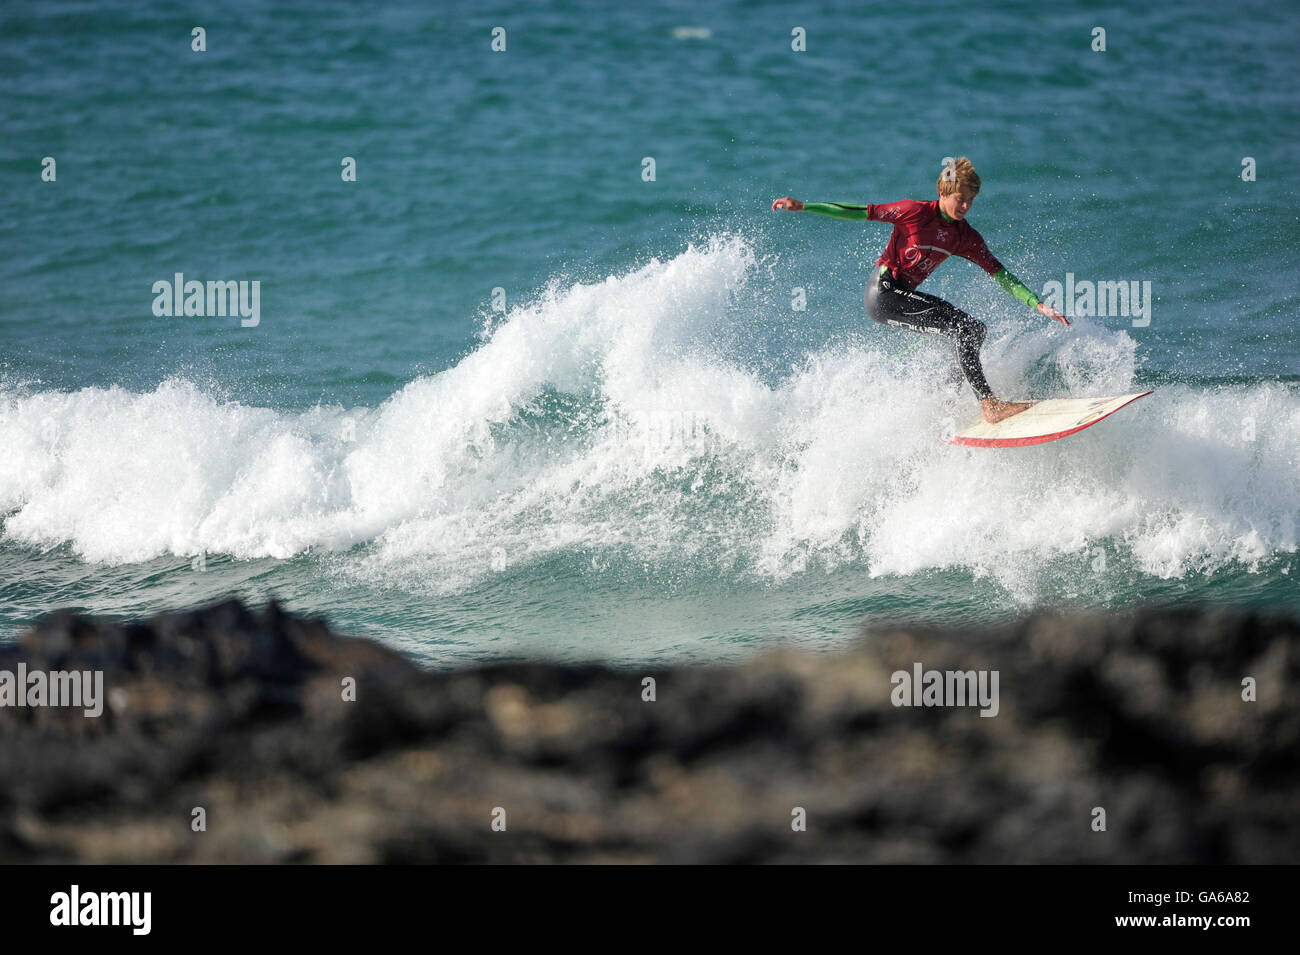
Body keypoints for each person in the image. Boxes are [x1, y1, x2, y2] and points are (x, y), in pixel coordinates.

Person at [772, 157, 1069, 423]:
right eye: (960, 198)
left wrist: (1037, 304)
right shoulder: (913, 212)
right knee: (962, 327)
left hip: (901, 296)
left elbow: (999, 273)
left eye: (971, 200)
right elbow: (859, 211)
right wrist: (805, 206)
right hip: (884, 293)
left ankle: (947, 401)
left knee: (973, 330)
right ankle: (990, 405)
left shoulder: (964, 236)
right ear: (942, 192)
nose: (965, 206)